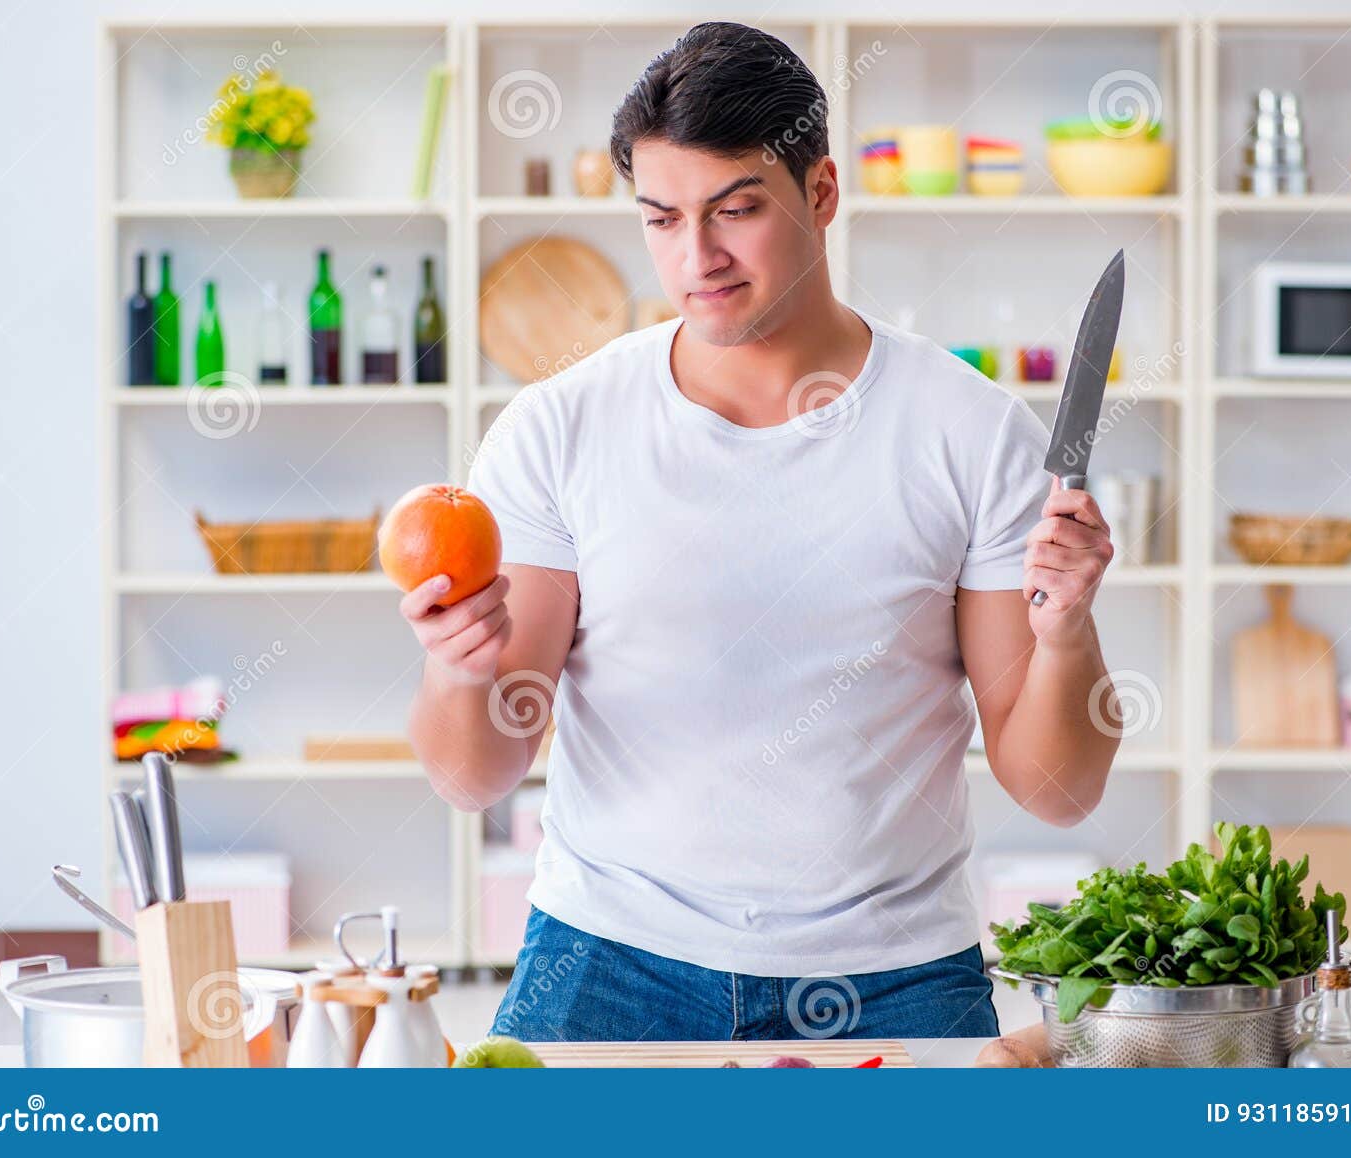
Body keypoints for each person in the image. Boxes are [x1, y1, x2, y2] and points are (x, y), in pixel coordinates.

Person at [404, 22, 1120, 1043]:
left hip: (896, 974)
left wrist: (1068, 637)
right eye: (661, 219)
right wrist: (454, 668)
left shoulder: (967, 431)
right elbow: (472, 775)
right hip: (606, 958)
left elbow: (1057, 790)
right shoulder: (558, 429)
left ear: (820, 193)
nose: (695, 258)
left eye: (735, 210)